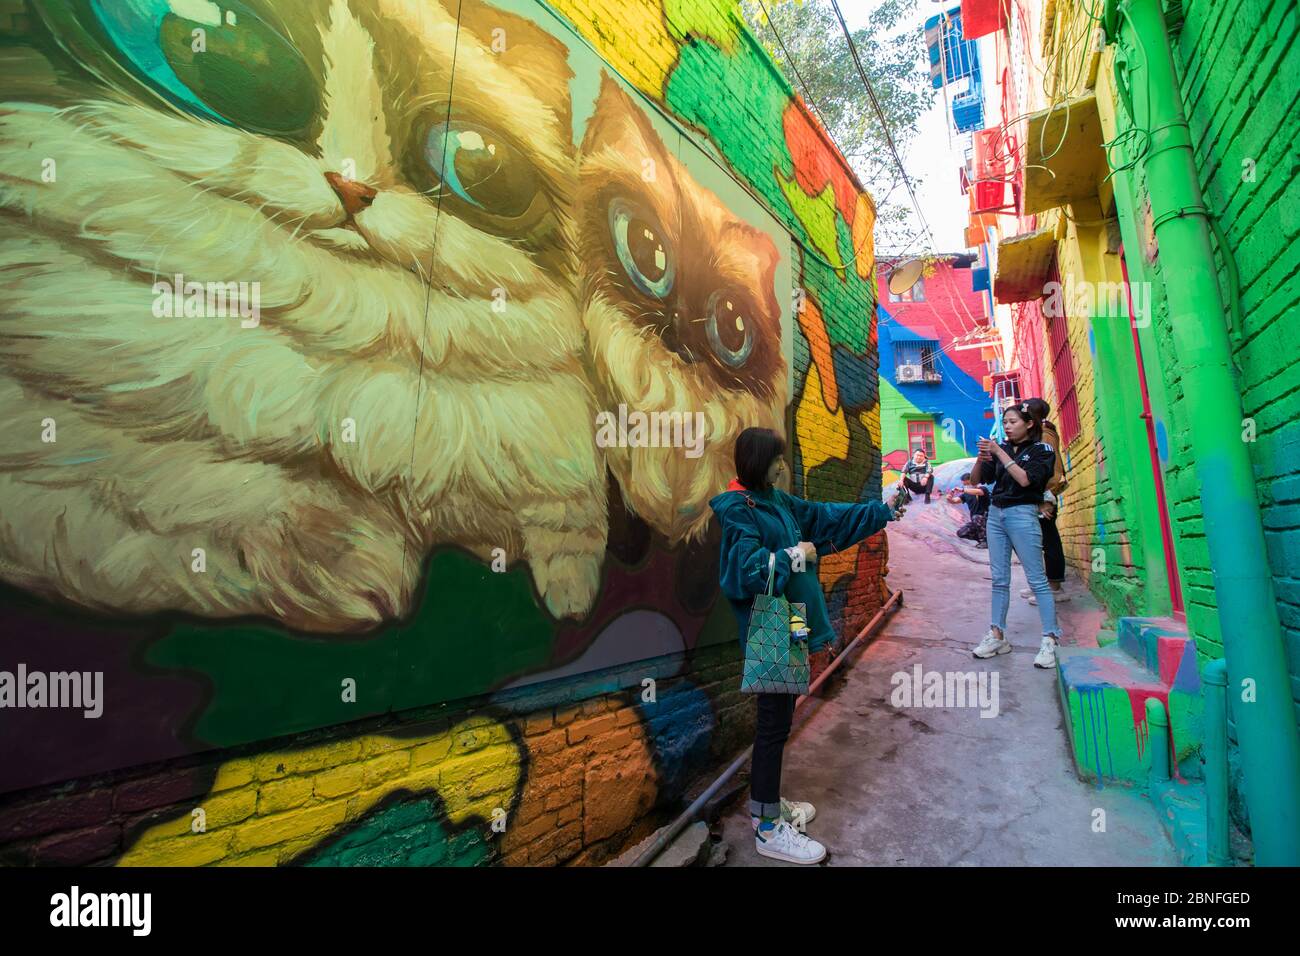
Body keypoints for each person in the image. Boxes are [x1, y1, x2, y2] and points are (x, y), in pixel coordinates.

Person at [709, 427, 901, 864]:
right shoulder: (739, 508)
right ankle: (767, 828)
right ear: (761, 461)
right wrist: (796, 556)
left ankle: (770, 806)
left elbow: (825, 517)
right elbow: (742, 571)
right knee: (773, 723)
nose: (783, 464)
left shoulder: (777, 500)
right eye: (777, 458)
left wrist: (882, 510)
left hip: (791, 618)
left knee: (783, 713)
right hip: (769, 623)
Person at [969, 403, 1064, 669]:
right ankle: (997, 635)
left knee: (1036, 579)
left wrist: (999, 452)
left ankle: (1051, 637)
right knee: (999, 579)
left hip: (1022, 513)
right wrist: (982, 458)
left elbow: (1025, 480)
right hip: (997, 514)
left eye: (1012, 421)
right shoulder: (1003, 449)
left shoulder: (1042, 450)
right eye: (1005, 422)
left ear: (1029, 423)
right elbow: (976, 481)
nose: (1007, 426)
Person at [1019, 398, 1070, 605]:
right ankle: (1043, 585)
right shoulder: (1037, 434)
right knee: (1039, 541)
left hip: (1045, 495)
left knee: (1049, 541)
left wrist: (1047, 496)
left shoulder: (1045, 435)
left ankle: (1054, 587)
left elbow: (1053, 469)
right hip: (1037, 495)